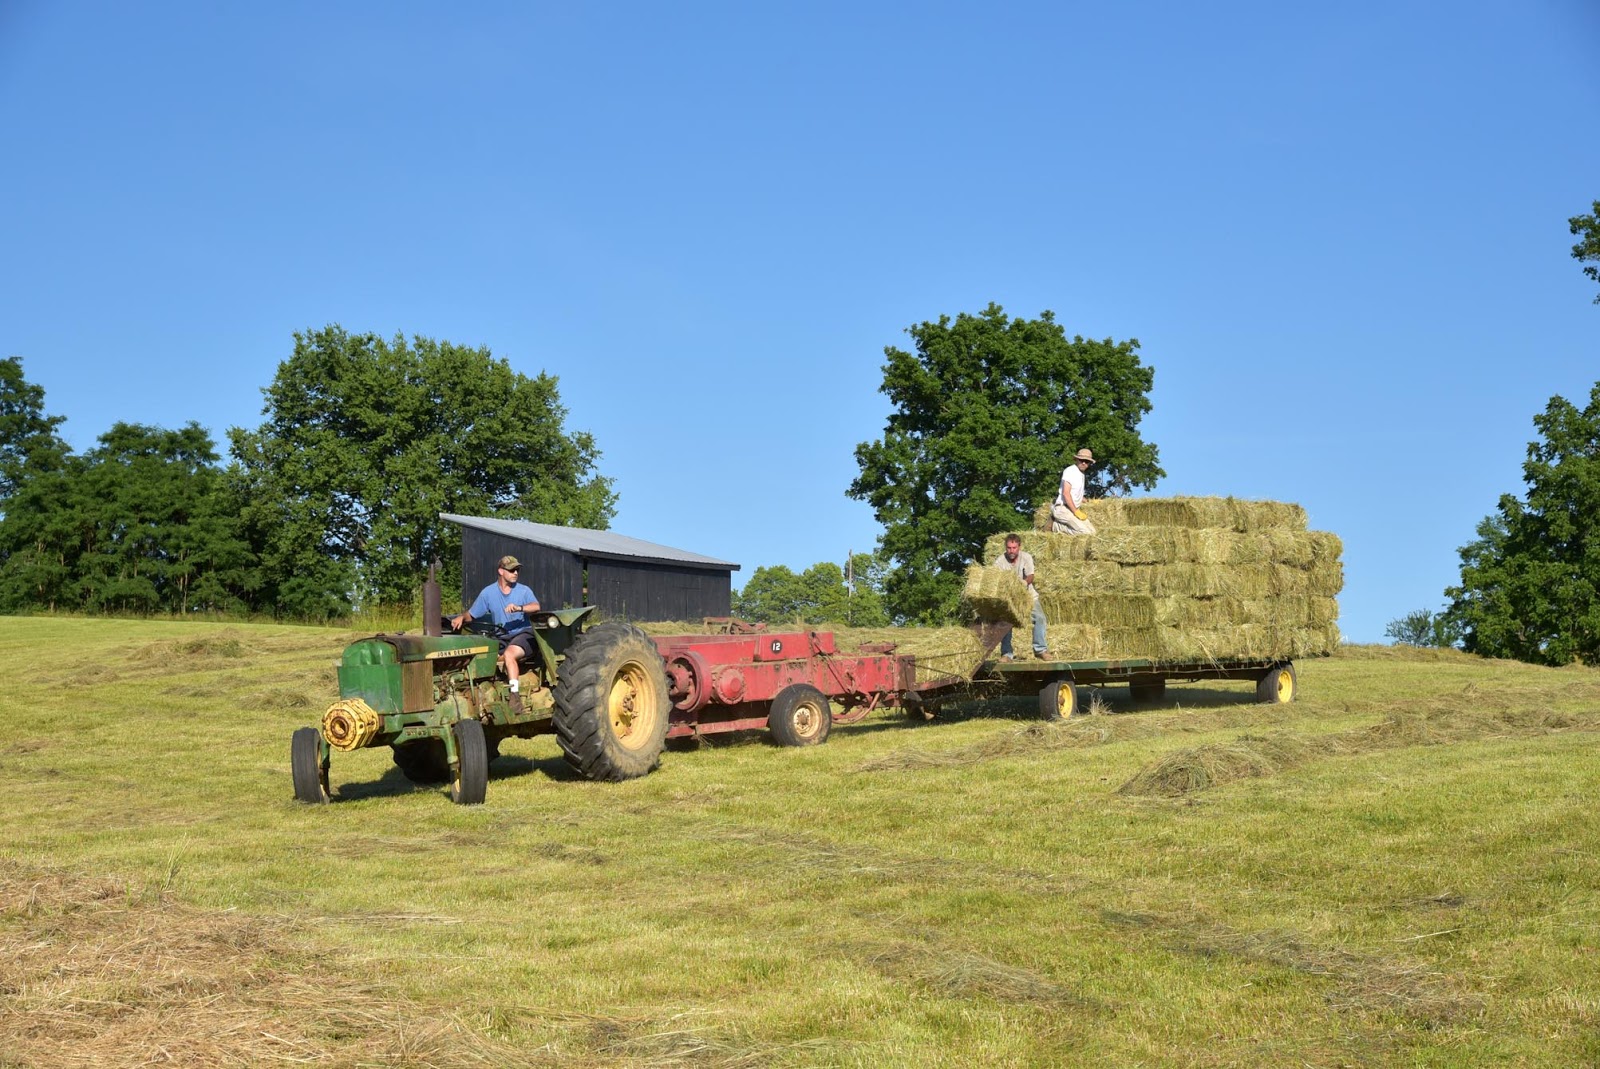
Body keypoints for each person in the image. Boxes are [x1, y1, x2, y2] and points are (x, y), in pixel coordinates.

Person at [452, 555, 541, 706]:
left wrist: (520, 608)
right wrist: (461, 617)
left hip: (524, 634)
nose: (516, 573)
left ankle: (515, 695)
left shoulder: (524, 591)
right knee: (482, 657)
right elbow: (472, 614)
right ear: (501, 571)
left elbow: (536, 607)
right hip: (501, 636)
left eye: (517, 570)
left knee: (509, 655)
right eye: (512, 570)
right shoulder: (488, 593)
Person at [993, 533, 1048, 661]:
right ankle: (1006, 654)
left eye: (1014, 548)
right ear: (1005, 548)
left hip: (1028, 595)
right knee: (1006, 622)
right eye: (1009, 548)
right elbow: (995, 578)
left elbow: (1030, 576)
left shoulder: (1026, 557)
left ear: (1019, 547)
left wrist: (1023, 583)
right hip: (1009, 598)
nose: (1011, 551)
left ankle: (1040, 650)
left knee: (1039, 618)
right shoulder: (1000, 561)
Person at [1051, 447, 1099, 534]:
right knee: (1085, 532)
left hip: (1072, 510)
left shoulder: (1081, 474)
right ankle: (1057, 526)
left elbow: (1076, 495)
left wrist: (1089, 501)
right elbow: (1066, 493)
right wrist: (1076, 512)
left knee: (1093, 532)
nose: (1084, 463)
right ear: (1077, 460)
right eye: (1081, 460)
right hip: (1063, 509)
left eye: (1087, 461)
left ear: (1089, 463)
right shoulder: (1071, 471)